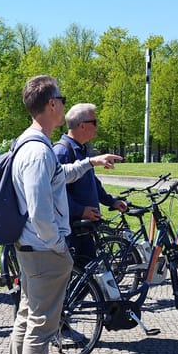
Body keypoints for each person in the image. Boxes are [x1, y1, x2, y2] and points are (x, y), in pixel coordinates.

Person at [2, 75, 121, 354]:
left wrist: (90, 162)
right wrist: (57, 247)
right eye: (62, 99)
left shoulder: (28, 143)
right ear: (51, 104)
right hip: (43, 251)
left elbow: (58, 176)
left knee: (25, 318)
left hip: (30, 249)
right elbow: (40, 210)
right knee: (41, 327)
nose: (64, 105)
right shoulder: (38, 151)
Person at [54, 103, 128, 261]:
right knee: (74, 280)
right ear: (82, 126)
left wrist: (111, 202)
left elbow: (92, 181)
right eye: (94, 122)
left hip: (85, 228)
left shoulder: (81, 149)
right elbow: (55, 192)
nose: (97, 126)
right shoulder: (62, 151)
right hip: (71, 231)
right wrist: (80, 210)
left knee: (89, 279)